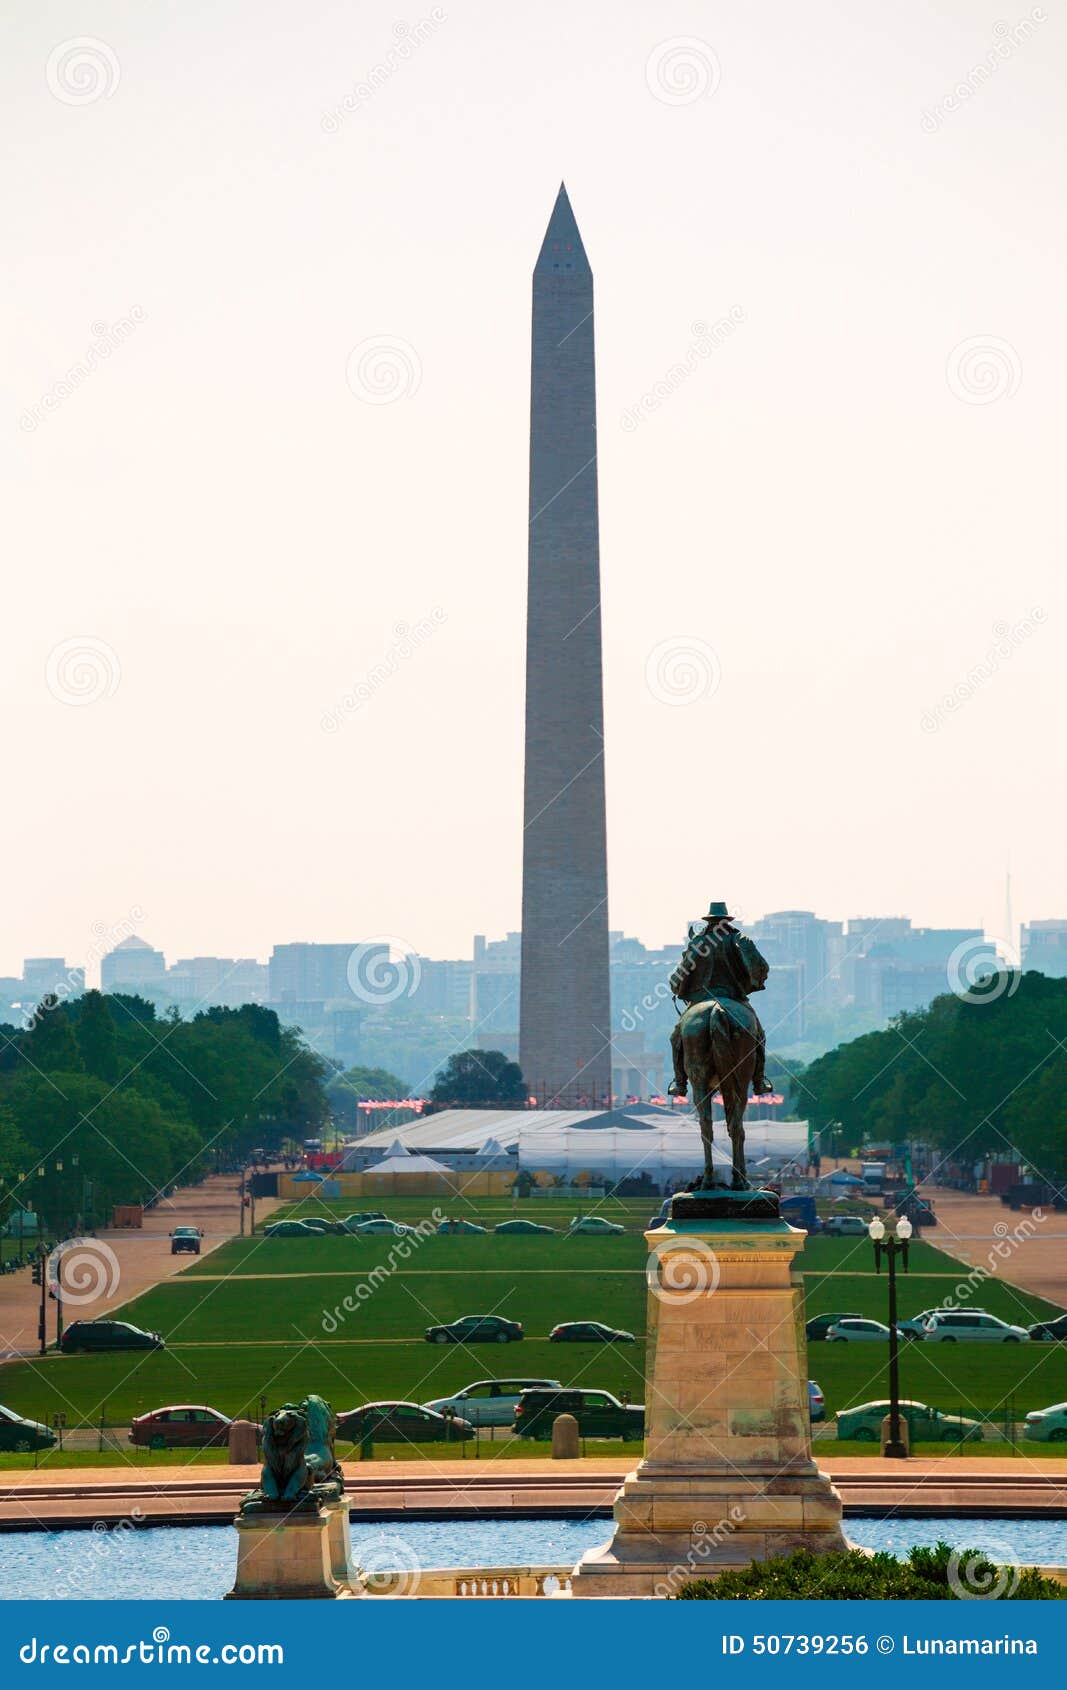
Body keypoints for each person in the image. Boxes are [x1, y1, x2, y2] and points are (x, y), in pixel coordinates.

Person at [667, 900, 773, 1099]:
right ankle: (759, 1080)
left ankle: (680, 1082)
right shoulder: (740, 939)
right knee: (758, 1036)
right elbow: (761, 966)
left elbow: (677, 977)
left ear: (709, 921)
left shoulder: (698, 943)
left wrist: (678, 987)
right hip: (734, 998)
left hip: (700, 1000)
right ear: (726, 921)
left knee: (676, 1038)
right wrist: (753, 981)